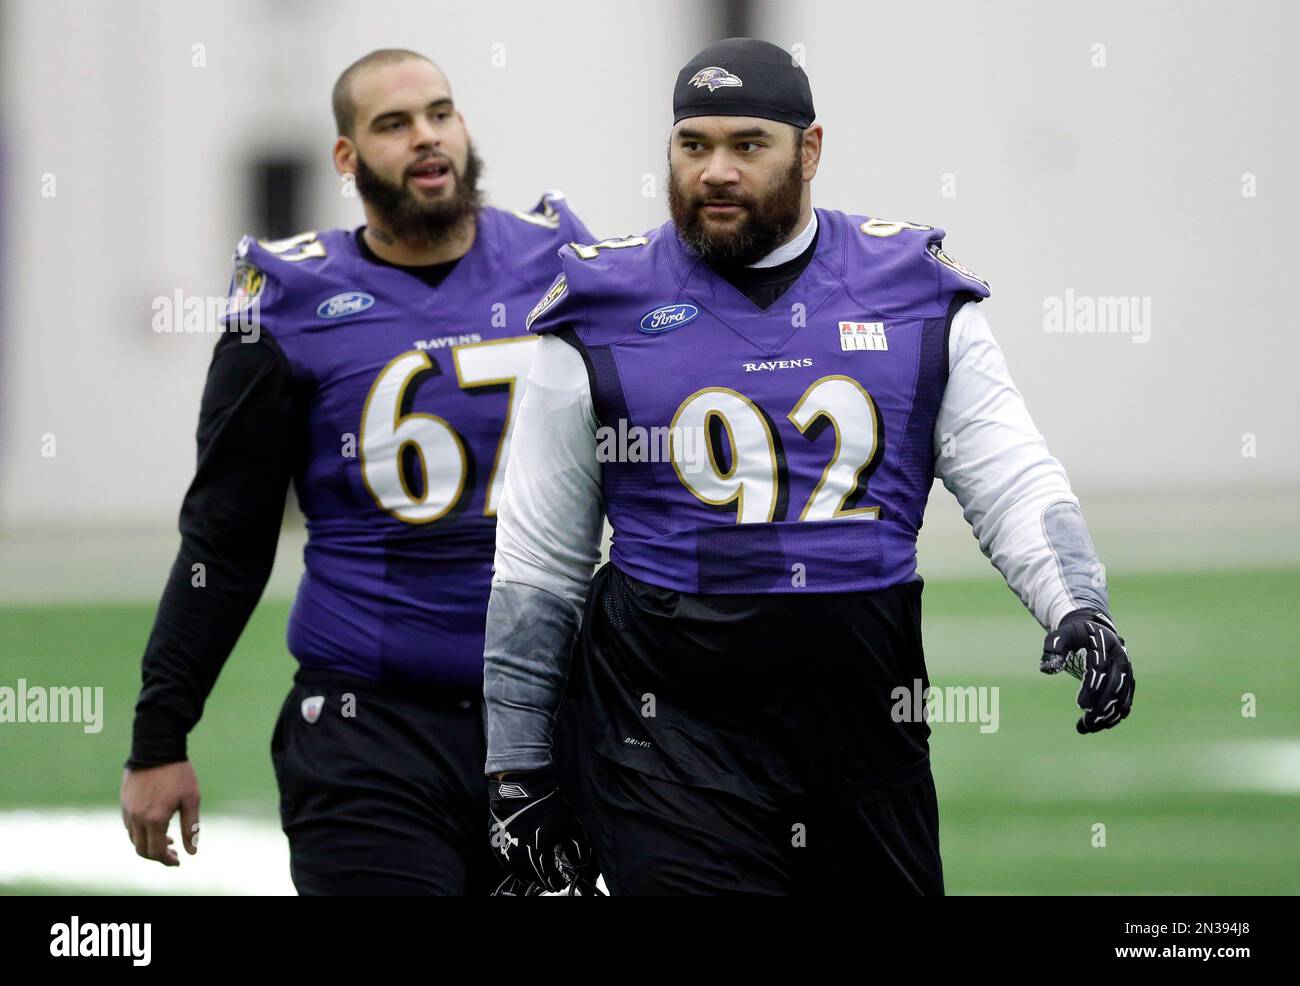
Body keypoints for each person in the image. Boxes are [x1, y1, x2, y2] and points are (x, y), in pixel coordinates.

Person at [483, 37, 1134, 895]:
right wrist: (518, 764)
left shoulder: (911, 290)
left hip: (866, 722)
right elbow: (539, 565)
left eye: (748, 144)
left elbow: (1010, 475)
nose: (716, 171)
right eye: (694, 145)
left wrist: (1077, 602)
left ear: (810, 149)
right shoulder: (602, 307)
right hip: (667, 735)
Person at [120, 48, 592, 894]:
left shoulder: (563, 267)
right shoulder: (290, 300)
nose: (426, 137)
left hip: (549, 720)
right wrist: (161, 735)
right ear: (347, 157)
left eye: (440, 113)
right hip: (367, 726)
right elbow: (223, 540)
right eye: (393, 124)